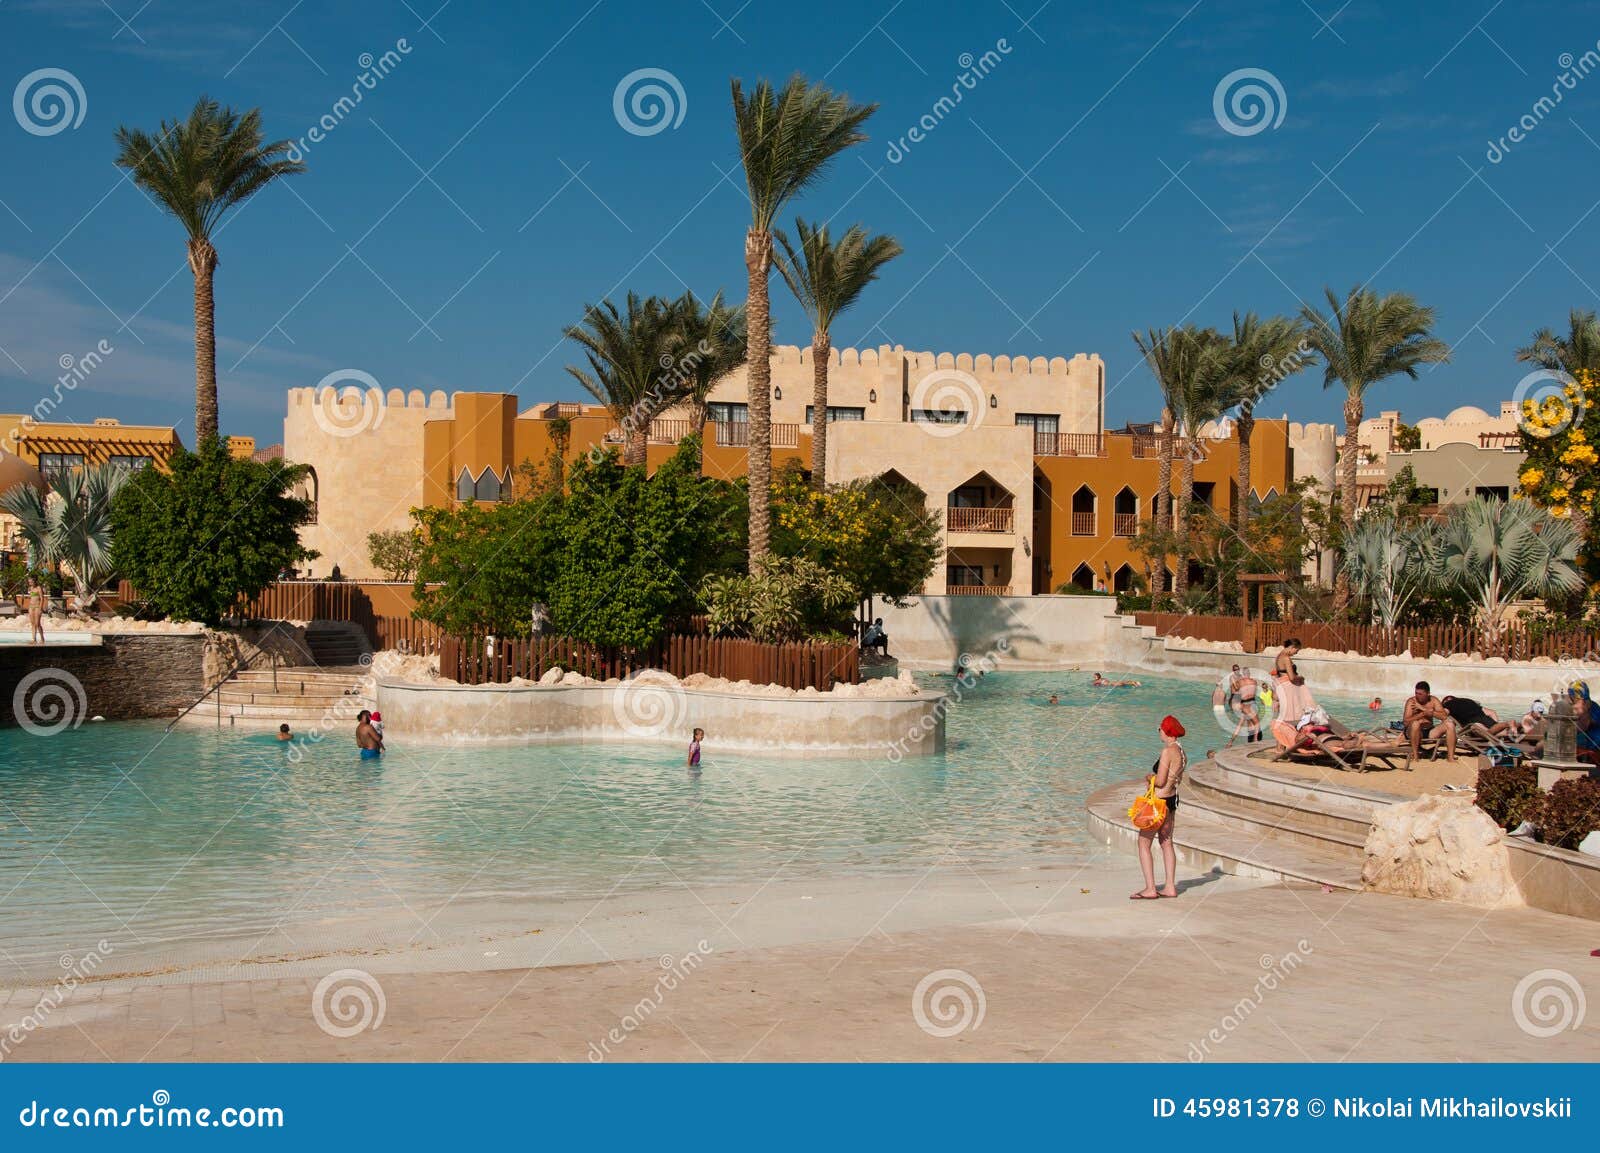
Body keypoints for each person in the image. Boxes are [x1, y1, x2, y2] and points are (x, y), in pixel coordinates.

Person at [1132, 715, 1187, 900]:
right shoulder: (1181, 751)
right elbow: (1174, 780)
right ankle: (1170, 887)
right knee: (1166, 842)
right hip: (1171, 801)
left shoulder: (1167, 752)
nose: (1159, 732)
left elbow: (1161, 780)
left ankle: (1150, 888)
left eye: (1160, 729)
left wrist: (1149, 778)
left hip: (1158, 802)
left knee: (1143, 843)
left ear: (1167, 731)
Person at [1403, 681, 1456, 762]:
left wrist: (1424, 709)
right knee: (1415, 724)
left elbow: (1444, 716)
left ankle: (1450, 757)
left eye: (1420, 694)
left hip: (1429, 732)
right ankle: (1415, 756)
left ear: (1428, 693)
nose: (1417, 696)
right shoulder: (1411, 702)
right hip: (1413, 731)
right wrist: (1422, 714)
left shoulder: (1433, 700)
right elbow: (1406, 722)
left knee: (1450, 724)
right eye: (1416, 693)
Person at [1440, 694, 1514, 739]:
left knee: (1488, 734)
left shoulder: (1448, 704)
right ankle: (1515, 727)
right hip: (1486, 719)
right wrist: (1496, 725)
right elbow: (1492, 712)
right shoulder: (1469, 701)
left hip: (1474, 724)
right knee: (1501, 733)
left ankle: (1507, 724)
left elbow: (1443, 715)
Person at [26, 578, 44, 646]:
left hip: (37, 606)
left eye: (31, 582)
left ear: (34, 581)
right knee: (32, 623)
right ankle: (34, 639)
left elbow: (42, 598)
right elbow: (31, 598)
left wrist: (40, 608)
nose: (30, 583)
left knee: (37, 623)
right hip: (31, 607)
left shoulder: (38, 588)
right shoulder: (30, 588)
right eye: (29, 582)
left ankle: (42, 638)